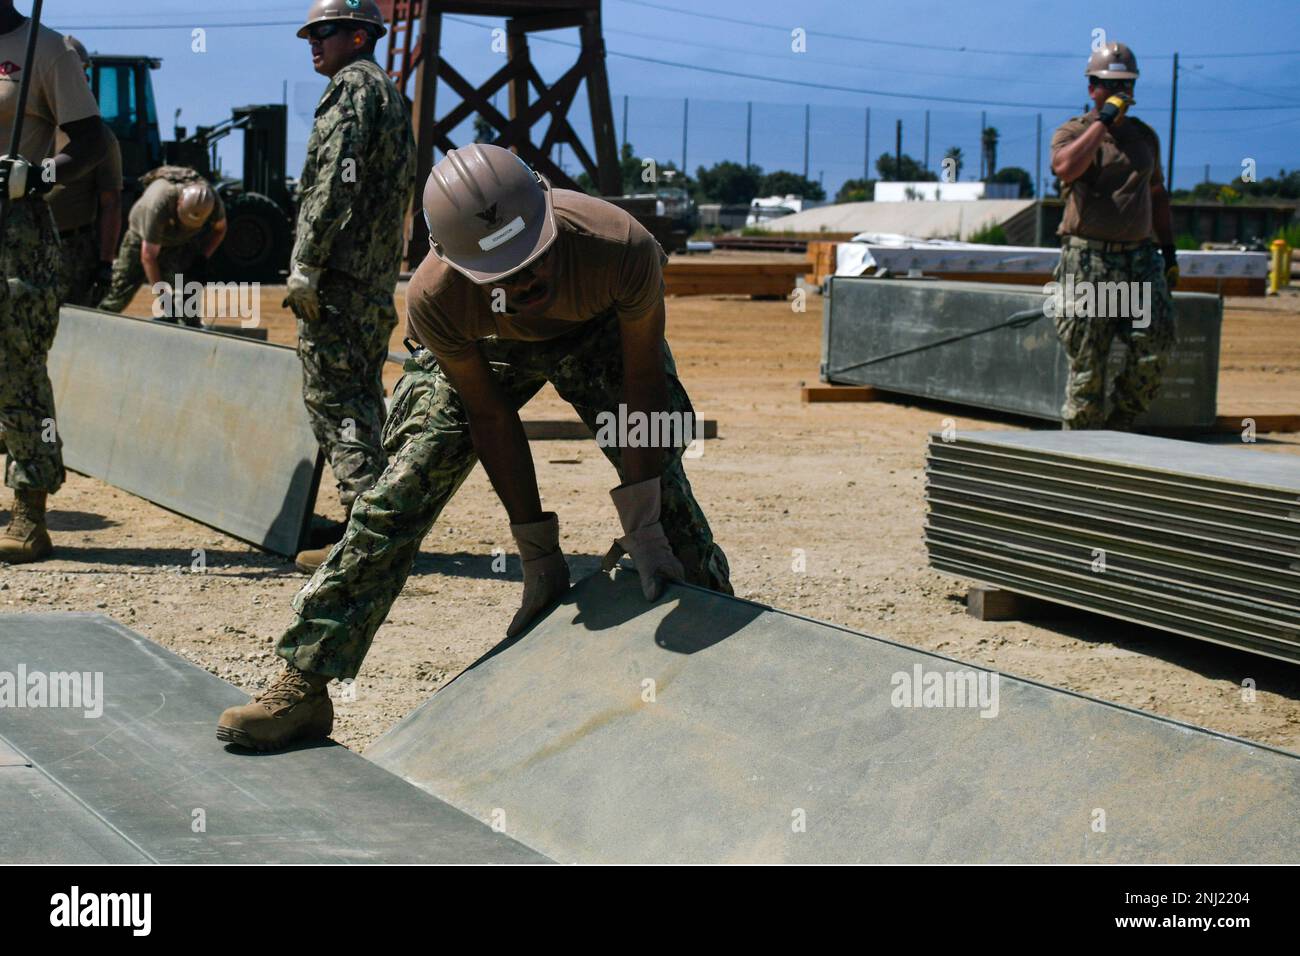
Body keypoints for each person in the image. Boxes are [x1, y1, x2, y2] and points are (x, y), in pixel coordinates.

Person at [217, 144, 732, 751]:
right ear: (456, 262)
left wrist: (643, 522)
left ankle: (720, 659)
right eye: (504, 278)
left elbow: (641, 387)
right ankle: (304, 682)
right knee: (398, 495)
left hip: (597, 333)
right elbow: (489, 416)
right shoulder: (439, 296)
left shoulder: (620, 247)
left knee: (663, 482)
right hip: (485, 347)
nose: (527, 285)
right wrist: (538, 553)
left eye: (535, 263)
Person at [284, 0, 415, 570]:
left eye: (326, 32)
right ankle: (375, 526)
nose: (314, 42)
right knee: (361, 395)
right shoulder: (388, 92)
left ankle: (363, 541)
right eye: (310, 33)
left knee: (332, 394)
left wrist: (307, 262)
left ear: (360, 37)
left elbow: (334, 183)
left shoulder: (352, 90)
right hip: (372, 275)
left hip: (340, 274)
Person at [0, 1, 104, 563]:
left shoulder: (47, 50)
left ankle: (29, 511)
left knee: (18, 368)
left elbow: (91, 142)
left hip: (15, 235)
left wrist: (33, 174)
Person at [1049, 40, 1178, 430]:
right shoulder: (1074, 132)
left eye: (1127, 85)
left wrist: (1169, 253)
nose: (1122, 92)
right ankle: (1080, 454)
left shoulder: (1145, 138)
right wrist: (1103, 121)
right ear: (1093, 88)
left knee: (1152, 351)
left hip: (1139, 260)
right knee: (1088, 369)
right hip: (1090, 263)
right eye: (1111, 84)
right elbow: (1066, 168)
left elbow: (1157, 195)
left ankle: (1120, 431)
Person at [47, 35, 121, 307]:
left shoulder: (98, 139)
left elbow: (110, 203)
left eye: (84, 74)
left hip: (73, 250)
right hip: (22, 238)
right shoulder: (29, 124)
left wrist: (105, 261)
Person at [96, 167, 226, 318]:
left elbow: (220, 230)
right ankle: (94, 325)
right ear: (179, 202)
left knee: (189, 292)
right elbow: (148, 257)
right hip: (140, 241)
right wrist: (165, 302)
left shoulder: (211, 201)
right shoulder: (158, 203)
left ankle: (188, 327)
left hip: (181, 243)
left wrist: (202, 258)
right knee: (117, 296)